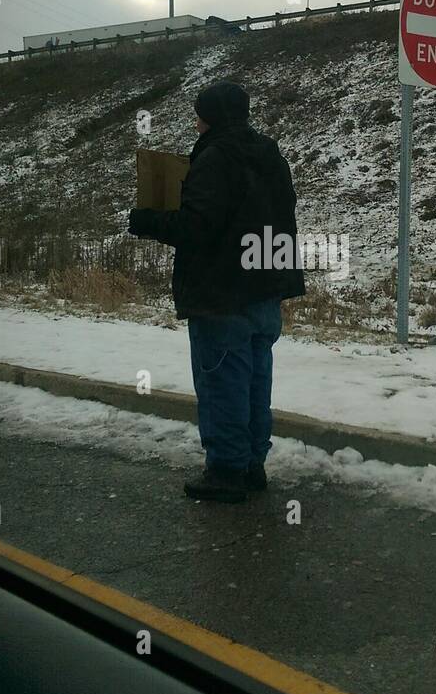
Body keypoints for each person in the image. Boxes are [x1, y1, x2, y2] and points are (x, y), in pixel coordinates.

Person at [128, 80, 304, 503]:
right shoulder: (269, 154)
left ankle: (227, 472)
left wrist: (148, 220)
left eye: (199, 115)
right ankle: (252, 465)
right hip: (264, 288)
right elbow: (283, 214)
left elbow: (197, 228)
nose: (196, 122)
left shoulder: (214, 157)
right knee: (255, 383)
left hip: (222, 293)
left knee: (223, 383)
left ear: (209, 117)